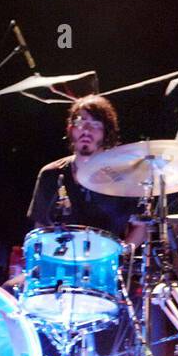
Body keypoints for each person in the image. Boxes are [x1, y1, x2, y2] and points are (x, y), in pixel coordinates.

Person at [25, 95, 148, 246]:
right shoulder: (51, 174)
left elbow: (140, 227)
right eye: (80, 122)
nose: (86, 130)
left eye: (95, 124)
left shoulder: (124, 177)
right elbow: (41, 227)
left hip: (105, 263)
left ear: (106, 132)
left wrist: (123, 254)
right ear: (70, 128)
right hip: (62, 263)